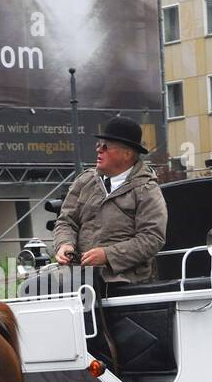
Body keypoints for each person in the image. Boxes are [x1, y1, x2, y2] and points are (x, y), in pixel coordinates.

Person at [51, 116, 167, 286]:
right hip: (79, 277)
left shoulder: (146, 190)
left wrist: (108, 255)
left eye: (105, 147)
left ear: (127, 154)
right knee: (32, 290)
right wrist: (64, 245)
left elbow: (152, 238)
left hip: (123, 281)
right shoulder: (85, 182)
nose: (99, 150)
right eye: (99, 145)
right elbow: (66, 222)